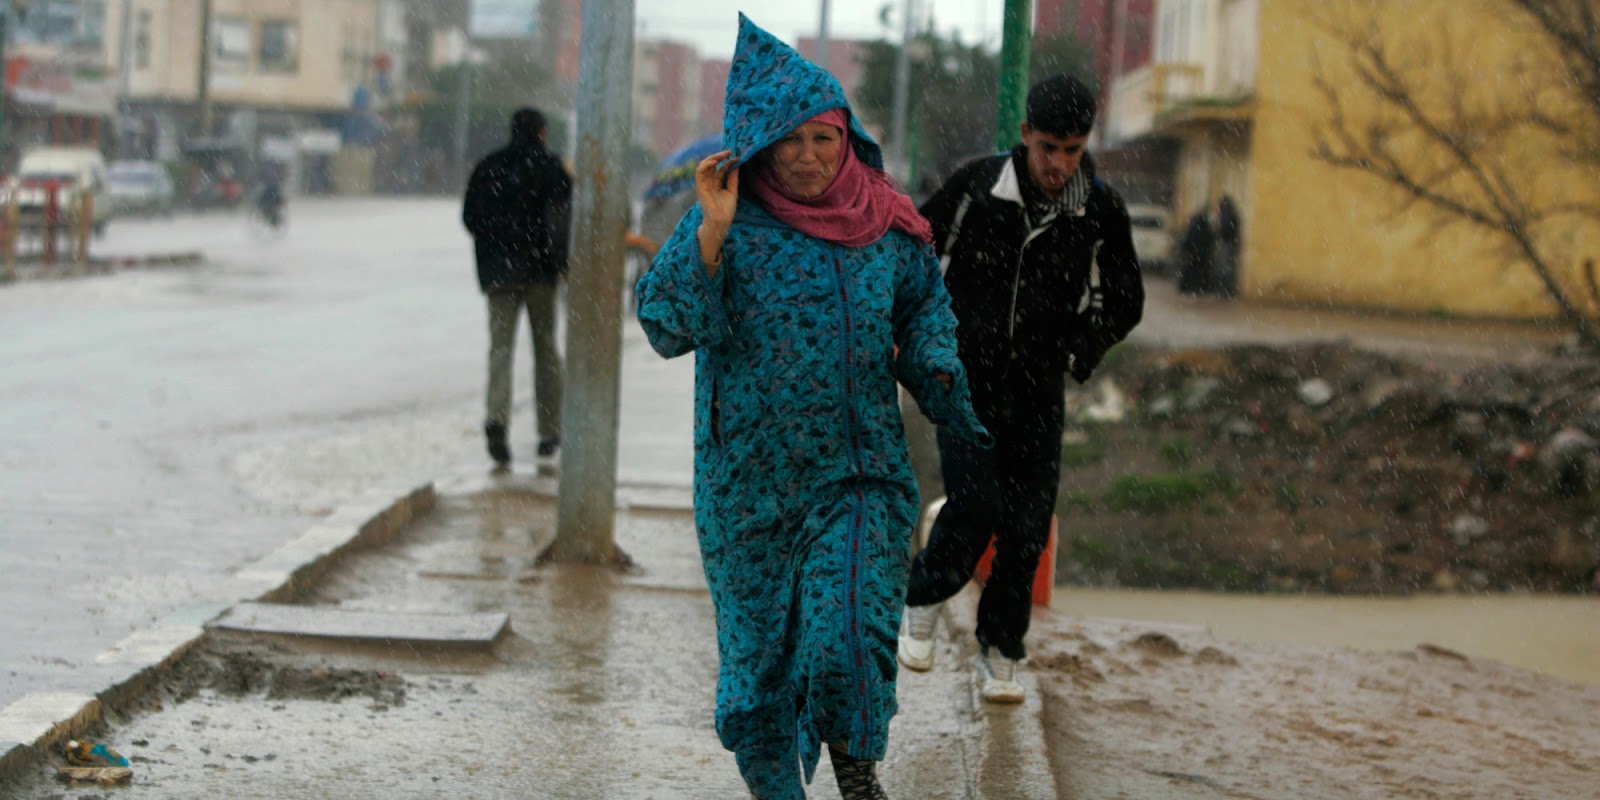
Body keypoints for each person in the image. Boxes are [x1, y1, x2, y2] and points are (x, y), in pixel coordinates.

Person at [634, 15, 988, 800]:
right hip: (749, 489)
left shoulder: (889, 224)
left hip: (856, 474)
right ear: (758, 147)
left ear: (846, 136)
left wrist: (938, 372)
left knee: (846, 630)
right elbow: (662, 324)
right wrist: (713, 233)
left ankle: (858, 771)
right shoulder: (728, 223)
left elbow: (925, 307)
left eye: (822, 138)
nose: (806, 157)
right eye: (786, 141)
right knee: (758, 677)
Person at [898, 74, 1145, 703]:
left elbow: (1125, 301)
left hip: (1039, 390)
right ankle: (921, 597)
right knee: (976, 505)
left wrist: (1078, 348)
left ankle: (1001, 650)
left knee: (1028, 527)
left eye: (1073, 149)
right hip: (964, 383)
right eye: (1049, 149)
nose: (1061, 164)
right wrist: (924, 344)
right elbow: (911, 259)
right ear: (1025, 136)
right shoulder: (975, 187)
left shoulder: (1099, 210)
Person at [461, 107, 572, 467]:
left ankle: (496, 420)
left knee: (500, 351)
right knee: (546, 350)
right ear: (541, 132)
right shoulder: (551, 169)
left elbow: (470, 218)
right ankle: (550, 430)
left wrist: (495, 248)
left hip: (499, 275)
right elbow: (561, 220)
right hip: (541, 273)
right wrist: (559, 262)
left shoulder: (488, 167)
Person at [1177, 209, 1217, 295]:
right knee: (1199, 270)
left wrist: (1187, 248)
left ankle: (1189, 286)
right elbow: (1210, 238)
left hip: (1193, 252)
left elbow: (1188, 238)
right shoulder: (1205, 227)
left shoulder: (1194, 226)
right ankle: (1198, 286)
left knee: (1191, 269)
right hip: (1202, 253)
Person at [1215, 193, 1242, 298]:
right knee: (1228, 267)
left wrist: (1219, 234)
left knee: (1224, 268)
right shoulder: (1232, 213)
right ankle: (1226, 290)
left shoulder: (1227, 214)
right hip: (1230, 243)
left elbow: (1225, 229)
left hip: (1227, 243)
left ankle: (1224, 291)